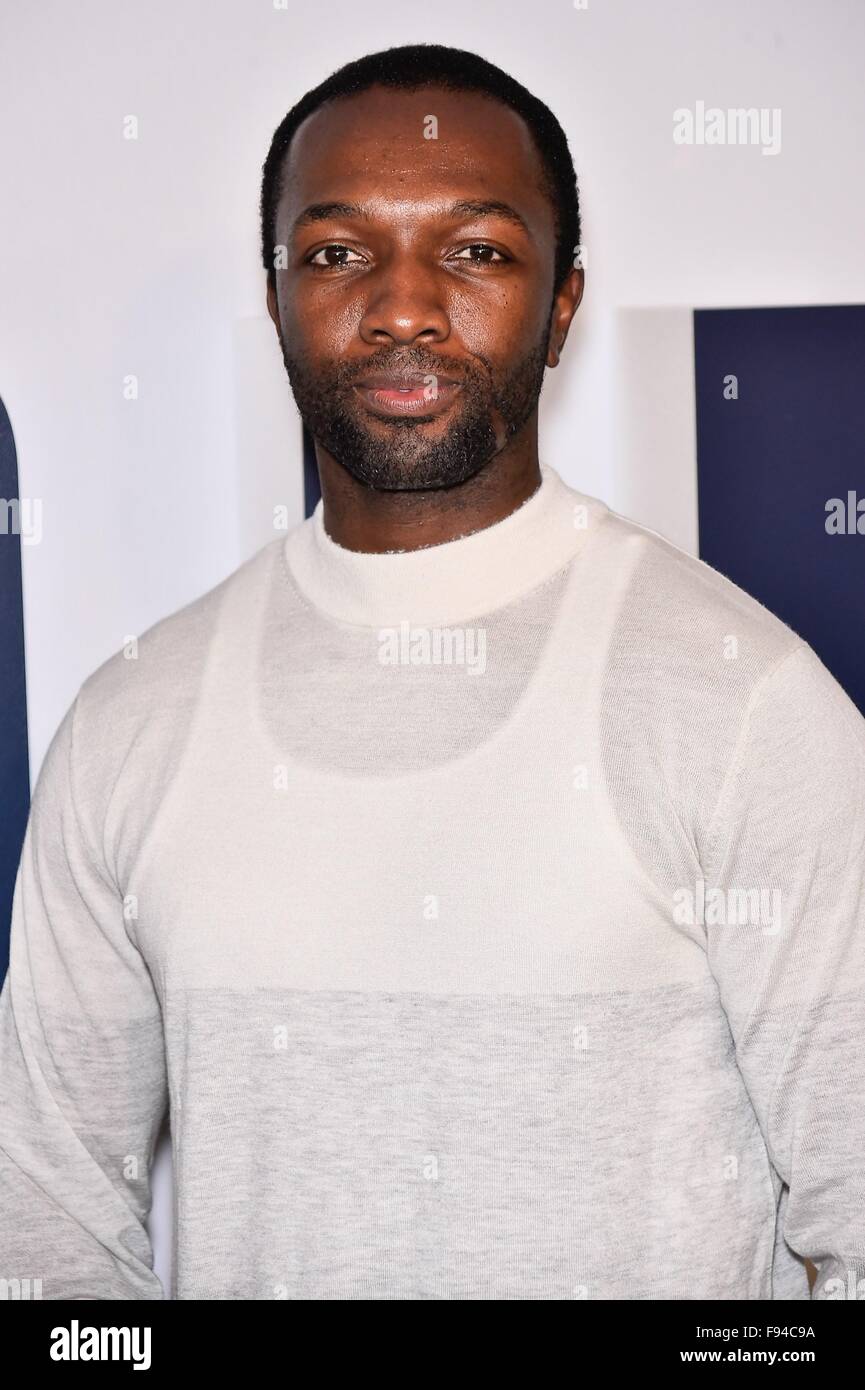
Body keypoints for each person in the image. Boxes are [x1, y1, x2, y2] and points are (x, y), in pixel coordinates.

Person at [1, 42, 863, 1301]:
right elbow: (48, 1232)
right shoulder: (134, 719)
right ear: (278, 296)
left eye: (475, 251)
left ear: (563, 305)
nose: (403, 306)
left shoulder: (743, 705)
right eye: (340, 253)